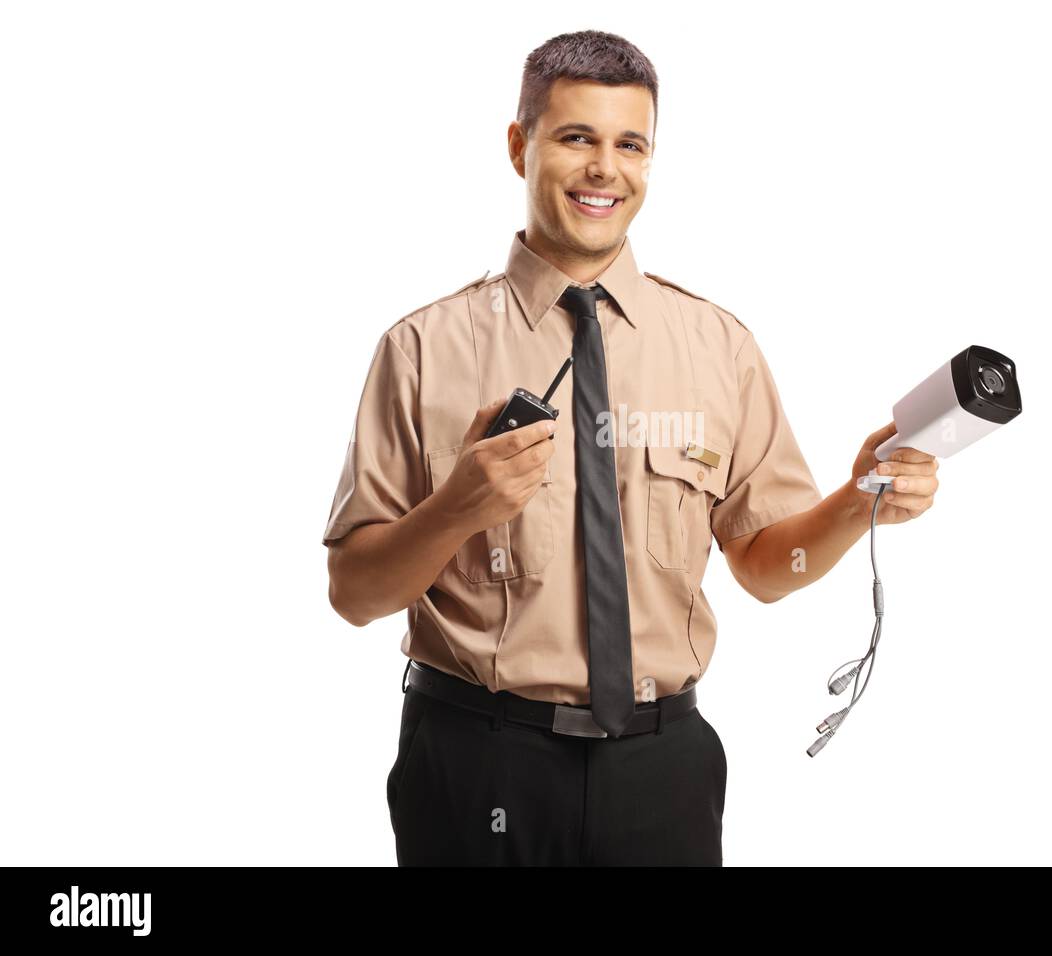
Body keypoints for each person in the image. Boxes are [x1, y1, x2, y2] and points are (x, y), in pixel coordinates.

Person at [321, 29, 939, 866]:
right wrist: (457, 507)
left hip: (662, 770)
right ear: (520, 146)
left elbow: (764, 565)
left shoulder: (719, 347)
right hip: (478, 762)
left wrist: (855, 498)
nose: (604, 168)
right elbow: (355, 595)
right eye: (576, 137)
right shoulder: (423, 349)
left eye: (630, 144)